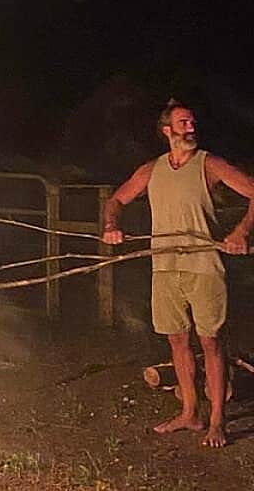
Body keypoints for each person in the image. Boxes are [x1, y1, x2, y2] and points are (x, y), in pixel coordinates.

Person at [103, 100, 254, 447]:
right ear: (167, 130)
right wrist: (111, 224)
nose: (190, 128)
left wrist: (241, 232)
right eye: (183, 123)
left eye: (192, 123)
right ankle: (190, 412)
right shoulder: (151, 170)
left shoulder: (209, 164)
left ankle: (217, 420)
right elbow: (116, 200)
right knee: (176, 340)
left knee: (211, 342)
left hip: (204, 267)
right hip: (166, 267)